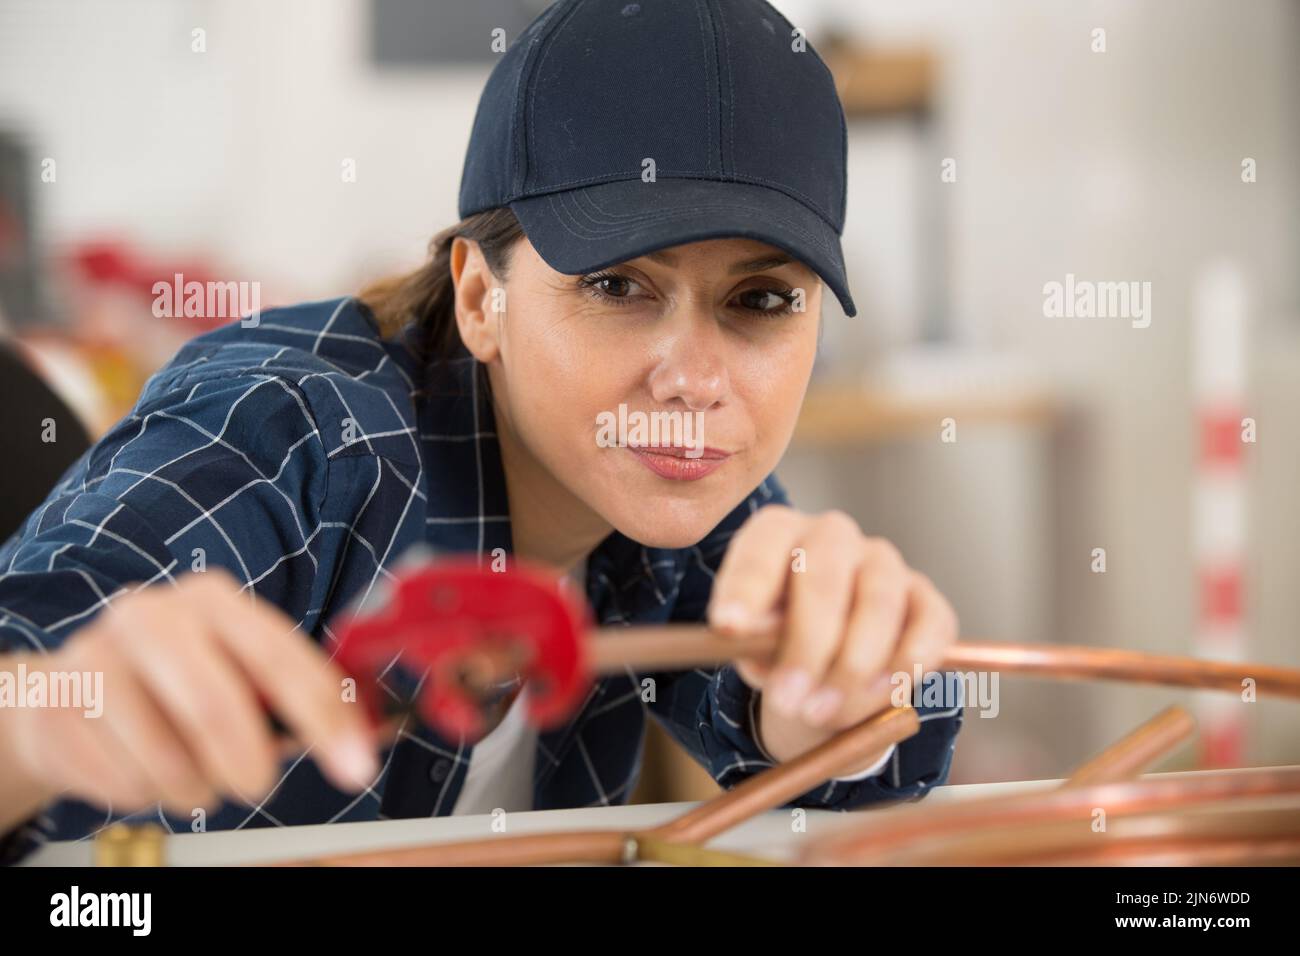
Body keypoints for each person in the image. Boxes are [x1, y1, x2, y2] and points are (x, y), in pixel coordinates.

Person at [0, 0, 962, 864]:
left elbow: (861, 771)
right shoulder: (295, 438)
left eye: (760, 299)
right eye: (618, 285)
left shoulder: (681, 490)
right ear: (478, 296)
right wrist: (40, 719)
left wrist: (828, 704)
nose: (695, 382)